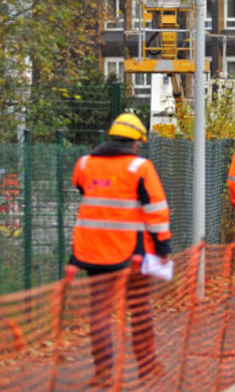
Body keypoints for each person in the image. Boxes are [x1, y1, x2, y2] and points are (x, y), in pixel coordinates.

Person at [71, 113, 169, 385]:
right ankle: (147, 367)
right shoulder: (140, 167)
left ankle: (103, 373)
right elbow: (156, 210)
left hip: (92, 254)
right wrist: (163, 246)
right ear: (136, 142)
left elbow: (81, 189)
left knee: (99, 314)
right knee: (139, 310)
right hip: (133, 254)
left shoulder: (85, 164)